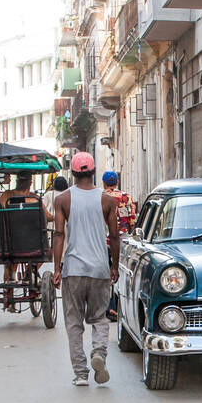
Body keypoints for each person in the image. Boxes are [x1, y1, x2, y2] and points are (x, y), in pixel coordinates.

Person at [52, 152, 120, 387]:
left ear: (72, 173)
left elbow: (59, 234)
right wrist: (114, 265)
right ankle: (99, 353)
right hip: (99, 268)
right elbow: (114, 236)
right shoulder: (107, 200)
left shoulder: (62, 200)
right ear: (93, 172)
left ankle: (81, 373)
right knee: (99, 318)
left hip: (73, 268)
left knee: (74, 323)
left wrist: (57, 268)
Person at [101, 171, 134, 321]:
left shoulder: (99, 197)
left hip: (104, 242)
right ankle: (118, 305)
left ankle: (109, 306)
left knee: (107, 273)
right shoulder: (126, 198)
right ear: (117, 182)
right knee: (121, 272)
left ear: (104, 182)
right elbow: (132, 220)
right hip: (123, 242)